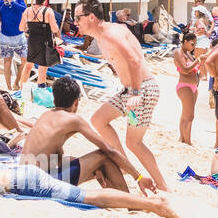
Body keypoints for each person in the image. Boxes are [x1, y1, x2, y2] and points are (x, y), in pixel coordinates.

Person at [74, 0, 168, 192]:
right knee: (99, 119)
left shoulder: (110, 33)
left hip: (142, 90)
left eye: (78, 18)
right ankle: (124, 164)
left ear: (91, 17)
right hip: (129, 91)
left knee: (134, 143)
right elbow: (118, 56)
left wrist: (135, 93)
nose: (75, 22)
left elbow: (133, 60)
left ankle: (162, 185)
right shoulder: (103, 35)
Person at [18, 76, 151, 193]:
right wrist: (138, 177)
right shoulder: (73, 120)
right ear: (76, 102)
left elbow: (56, 160)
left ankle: (123, 198)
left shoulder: (46, 116)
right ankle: (130, 202)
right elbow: (109, 149)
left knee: (99, 163)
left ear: (54, 99)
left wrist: (93, 166)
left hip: (24, 180)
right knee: (103, 156)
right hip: (41, 184)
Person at [0, 158, 178, 218]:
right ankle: (146, 203)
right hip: (21, 175)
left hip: (25, 183)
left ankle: (152, 204)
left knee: (90, 197)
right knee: (90, 196)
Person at [18, 0, 62, 89]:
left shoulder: (28, 10)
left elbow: (21, 28)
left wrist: (28, 28)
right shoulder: (48, 11)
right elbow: (55, 29)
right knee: (43, 67)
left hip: (32, 41)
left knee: (28, 65)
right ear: (45, 0)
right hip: (45, 41)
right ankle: (40, 88)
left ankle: (22, 87)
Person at [0, 0, 27, 90]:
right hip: (5, 36)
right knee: (7, 62)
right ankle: (9, 87)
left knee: (24, 59)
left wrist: (12, 2)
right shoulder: (0, 4)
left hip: (20, 35)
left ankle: (17, 81)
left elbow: (24, 10)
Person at [172, 33, 201, 145]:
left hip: (193, 87)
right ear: (185, 41)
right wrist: (198, 61)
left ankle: (182, 139)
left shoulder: (188, 54)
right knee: (189, 115)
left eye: (195, 44)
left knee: (186, 114)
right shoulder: (178, 52)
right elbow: (185, 69)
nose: (193, 46)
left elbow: (192, 69)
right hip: (184, 86)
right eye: (192, 43)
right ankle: (188, 141)